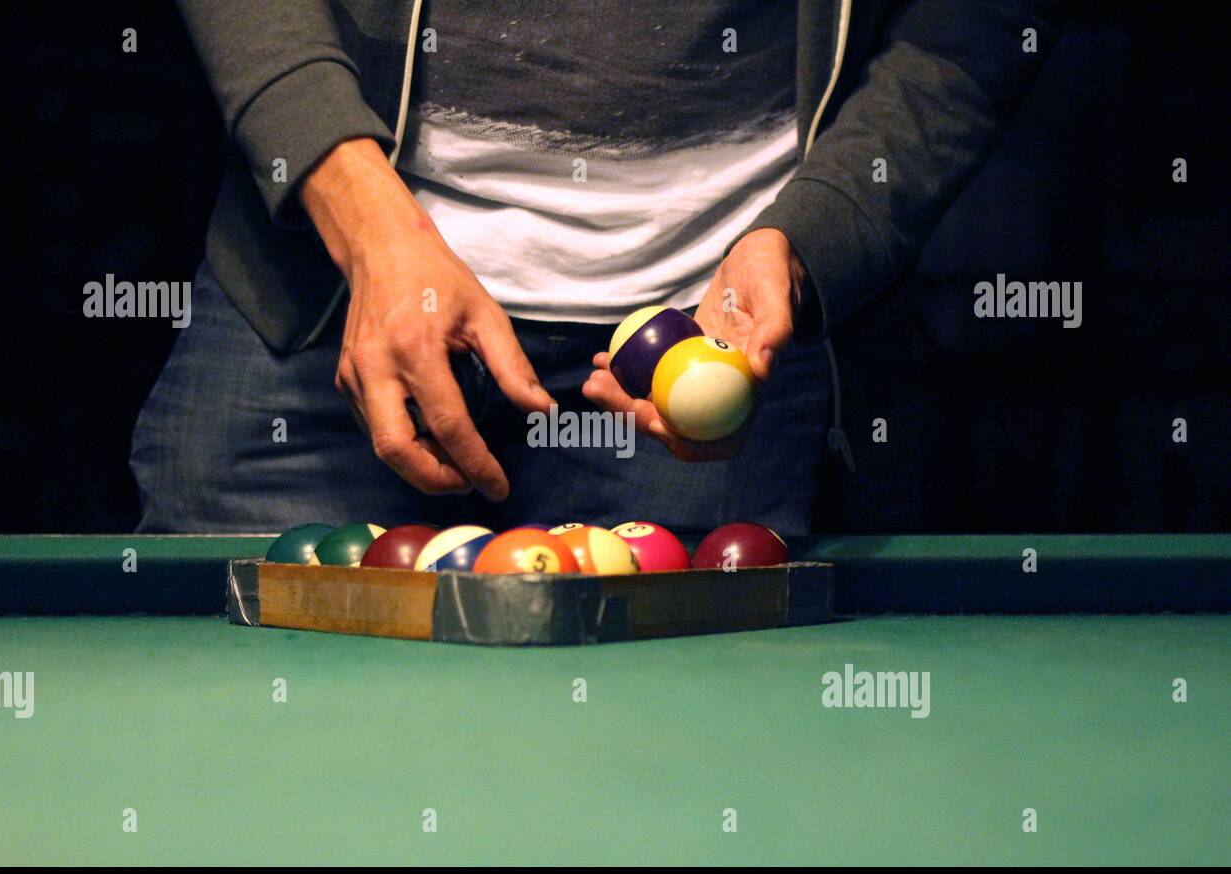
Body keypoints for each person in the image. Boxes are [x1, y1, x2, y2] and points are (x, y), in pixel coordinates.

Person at [132, 1, 1062, 535]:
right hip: (327, 292)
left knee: (675, 801)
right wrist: (358, 210)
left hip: (712, 326)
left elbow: (982, 22)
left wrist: (813, 240)